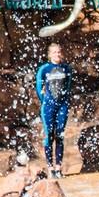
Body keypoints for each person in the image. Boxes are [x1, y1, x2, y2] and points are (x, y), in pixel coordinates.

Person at [35, 43, 72, 179]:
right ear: (50, 54)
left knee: (60, 135)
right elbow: (39, 88)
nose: (57, 54)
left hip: (62, 105)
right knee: (49, 135)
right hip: (48, 106)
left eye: (59, 52)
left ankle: (58, 168)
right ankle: (50, 168)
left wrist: (65, 102)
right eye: (55, 52)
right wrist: (45, 100)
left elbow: (68, 87)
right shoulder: (44, 69)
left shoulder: (66, 68)